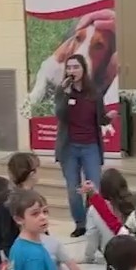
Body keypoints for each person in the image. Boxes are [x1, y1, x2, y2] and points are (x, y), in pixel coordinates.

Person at [55, 54, 111, 238]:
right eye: (69, 67)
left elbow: (100, 118)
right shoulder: (62, 91)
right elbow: (60, 115)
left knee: (94, 186)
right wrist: (65, 94)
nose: (72, 71)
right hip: (69, 147)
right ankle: (80, 223)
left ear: (83, 69)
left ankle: (93, 221)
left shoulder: (94, 93)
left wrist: (108, 118)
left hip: (90, 146)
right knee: (74, 189)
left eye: (76, 67)